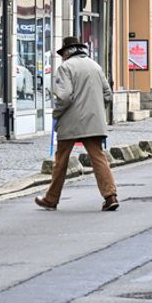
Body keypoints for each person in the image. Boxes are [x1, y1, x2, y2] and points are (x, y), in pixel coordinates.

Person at [35, 36, 119, 211]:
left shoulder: (65, 68)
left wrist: (57, 114)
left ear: (67, 52)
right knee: (98, 158)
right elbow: (108, 95)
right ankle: (110, 196)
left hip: (70, 122)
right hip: (94, 121)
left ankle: (51, 199)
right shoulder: (95, 66)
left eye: (63, 54)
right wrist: (96, 109)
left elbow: (64, 97)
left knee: (61, 161)